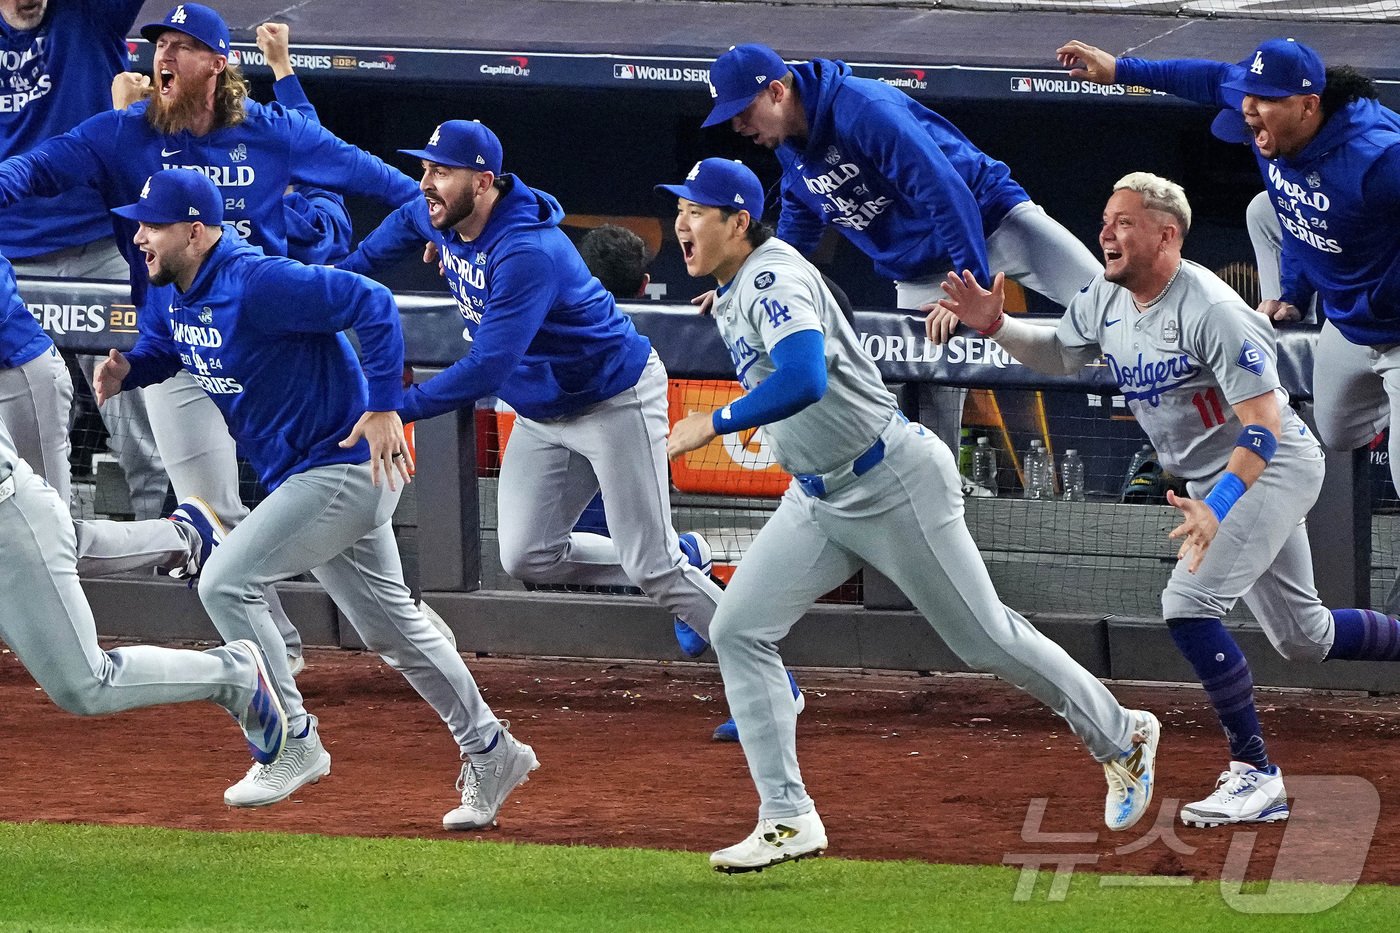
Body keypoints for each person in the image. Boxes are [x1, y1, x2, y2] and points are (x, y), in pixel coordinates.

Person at [660, 157, 1160, 872]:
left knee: (985, 639)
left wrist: (716, 420)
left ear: (738, 222)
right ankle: (787, 816)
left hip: (889, 480)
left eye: (697, 210)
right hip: (819, 496)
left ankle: (1122, 733)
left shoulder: (769, 275)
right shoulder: (746, 281)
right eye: (679, 208)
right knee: (739, 628)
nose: (681, 221)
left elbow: (805, 375)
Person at [934, 172, 1400, 827]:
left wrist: (1220, 503)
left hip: (1266, 466)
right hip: (1216, 481)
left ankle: (1255, 773)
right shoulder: (1106, 296)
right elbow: (1062, 354)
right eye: (1105, 219)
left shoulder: (1209, 307)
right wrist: (999, 324)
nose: (1105, 233)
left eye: (1123, 221)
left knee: (1187, 604)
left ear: (1166, 233)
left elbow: (1265, 424)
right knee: (1305, 636)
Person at [94, 168, 534, 827]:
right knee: (395, 629)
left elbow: (373, 305)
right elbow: (170, 344)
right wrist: (134, 367)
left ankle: (292, 739)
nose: (139, 236)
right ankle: (492, 748)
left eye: (152, 224)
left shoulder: (258, 281)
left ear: (195, 230)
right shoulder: (172, 285)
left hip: (343, 465)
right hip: (310, 471)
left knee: (224, 582)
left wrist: (386, 403)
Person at [0, 3, 422, 674]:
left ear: (217, 64)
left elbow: (392, 186)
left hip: (277, 361)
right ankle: (277, 658)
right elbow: (37, 168)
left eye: (180, 44)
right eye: (157, 42)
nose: (160, 54)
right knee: (210, 515)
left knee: (370, 575)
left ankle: (418, 648)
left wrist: (442, 239)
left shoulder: (272, 132)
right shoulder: (120, 134)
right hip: (181, 349)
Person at [338, 120, 753, 705]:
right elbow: (359, 266)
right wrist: (305, 298)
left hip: (614, 398)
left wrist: (393, 409)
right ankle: (685, 555)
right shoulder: (434, 213)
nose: (426, 183)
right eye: (425, 169)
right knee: (528, 553)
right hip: (542, 409)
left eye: (442, 172)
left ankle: (769, 684)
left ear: (483, 182)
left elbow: (485, 367)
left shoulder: (527, 251)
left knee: (652, 564)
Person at [704, 43, 1102, 456]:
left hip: (994, 222)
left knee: (1112, 305)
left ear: (775, 92)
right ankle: (941, 507)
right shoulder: (788, 141)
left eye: (742, 111)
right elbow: (800, 222)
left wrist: (970, 289)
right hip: (920, 273)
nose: (737, 126)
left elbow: (948, 195)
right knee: (923, 420)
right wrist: (744, 283)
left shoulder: (863, 109)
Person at [1055, 37, 1400, 500]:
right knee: (1338, 432)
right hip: (1348, 317)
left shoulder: (1378, 160)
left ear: (1308, 105)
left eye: (1264, 101)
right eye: (1247, 98)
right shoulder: (1272, 119)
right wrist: (1120, 68)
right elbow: (1208, 79)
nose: (1249, 112)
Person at [0, 413, 289, 786]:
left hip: (9, 516)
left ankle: (235, 675)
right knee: (59, 545)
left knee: (86, 685)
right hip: (20, 513)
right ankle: (185, 537)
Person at [1, 0, 167, 519]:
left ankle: (168, 543)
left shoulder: (89, 15)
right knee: (19, 423)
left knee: (138, 400)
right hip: (11, 260)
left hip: (104, 249)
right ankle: (35, 548)